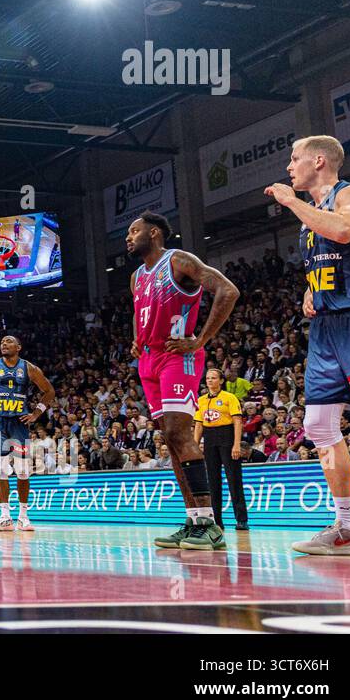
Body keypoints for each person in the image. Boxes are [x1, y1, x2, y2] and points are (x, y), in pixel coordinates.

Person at [265, 135, 350, 556]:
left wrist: (291, 201)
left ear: (318, 160)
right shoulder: (310, 215)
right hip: (328, 327)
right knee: (316, 426)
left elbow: (346, 232)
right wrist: (312, 290)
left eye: (294, 158)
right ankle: (348, 527)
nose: (289, 166)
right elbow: (329, 262)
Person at [126, 211, 239, 552]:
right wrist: (137, 337)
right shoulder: (135, 277)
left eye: (134, 231)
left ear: (155, 233)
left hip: (179, 355)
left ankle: (210, 523)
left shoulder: (178, 261)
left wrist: (201, 339)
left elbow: (227, 290)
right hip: (150, 359)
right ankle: (193, 518)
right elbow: (138, 310)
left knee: (178, 433)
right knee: (169, 440)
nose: (128, 237)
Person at [0, 335, 54, 532]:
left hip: (19, 423)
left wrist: (36, 413)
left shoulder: (29, 368)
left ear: (19, 347)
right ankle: (5, 517)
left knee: (23, 471)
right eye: (1, 342)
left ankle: (23, 517)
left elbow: (49, 391)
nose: (4, 344)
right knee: (1, 470)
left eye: (8, 341)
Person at [194, 367, 248, 531]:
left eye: (214, 378)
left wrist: (236, 444)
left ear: (221, 381)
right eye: (208, 378)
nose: (210, 381)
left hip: (227, 436)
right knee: (213, 482)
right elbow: (198, 424)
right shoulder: (201, 400)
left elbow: (238, 422)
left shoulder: (229, 397)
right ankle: (216, 521)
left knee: (234, 480)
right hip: (209, 438)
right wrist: (195, 446)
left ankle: (241, 520)